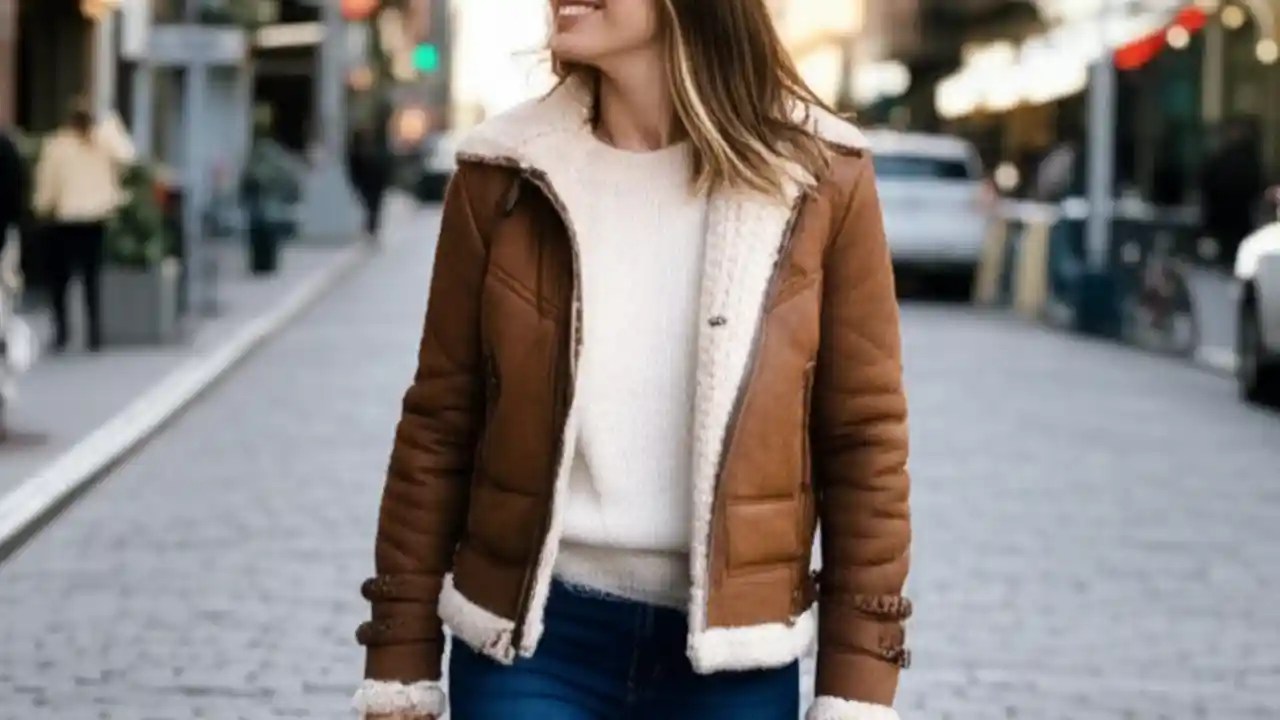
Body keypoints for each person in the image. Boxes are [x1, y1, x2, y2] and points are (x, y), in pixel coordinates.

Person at [354, 3, 912, 720]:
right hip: (531, 647)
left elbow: (864, 440)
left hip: (733, 662)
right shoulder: (503, 172)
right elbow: (438, 422)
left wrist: (858, 686)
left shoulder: (821, 178)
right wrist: (398, 657)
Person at [32, 103, 127, 352]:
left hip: (65, 219)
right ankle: (94, 334)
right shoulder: (102, 143)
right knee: (91, 279)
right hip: (94, 219)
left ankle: (63, 333)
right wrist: (109, 127)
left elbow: (47, 179)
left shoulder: (58, 145)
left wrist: (41, 207)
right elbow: (127, 155)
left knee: (60, 281)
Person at [1201, 118, 1264, 267]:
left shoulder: (1221, 160)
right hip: (1241, 222)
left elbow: (1206, 182)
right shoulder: (1251, 162)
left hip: (1219, 221)